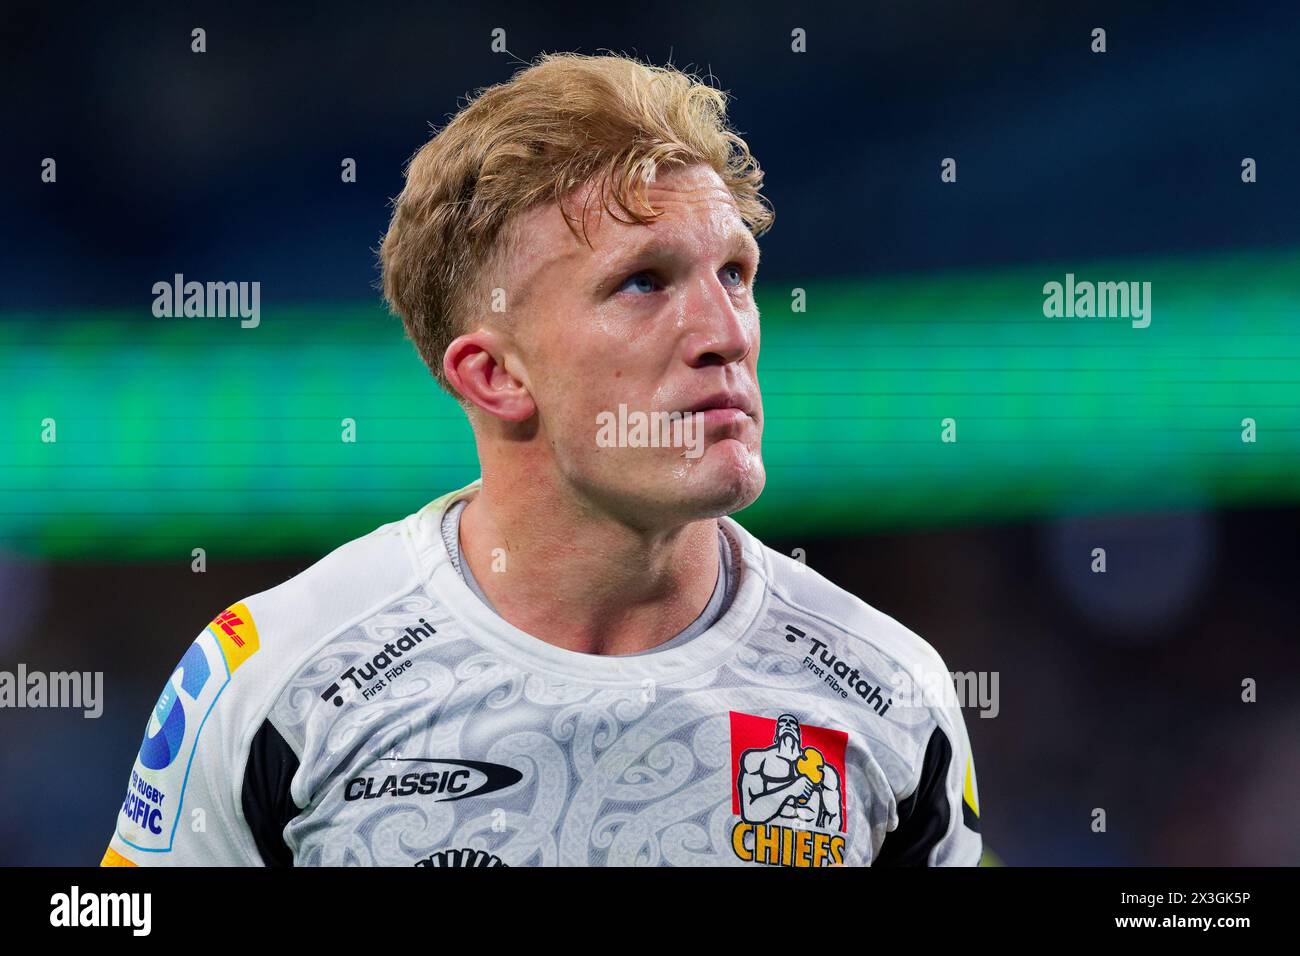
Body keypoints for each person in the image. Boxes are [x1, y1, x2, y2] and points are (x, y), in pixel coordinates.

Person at [101, 52, 981, 868]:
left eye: (736, 275)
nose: (725, 335)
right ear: (493, 374)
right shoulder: (279, 675)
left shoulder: (887, 690)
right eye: (643, 282)